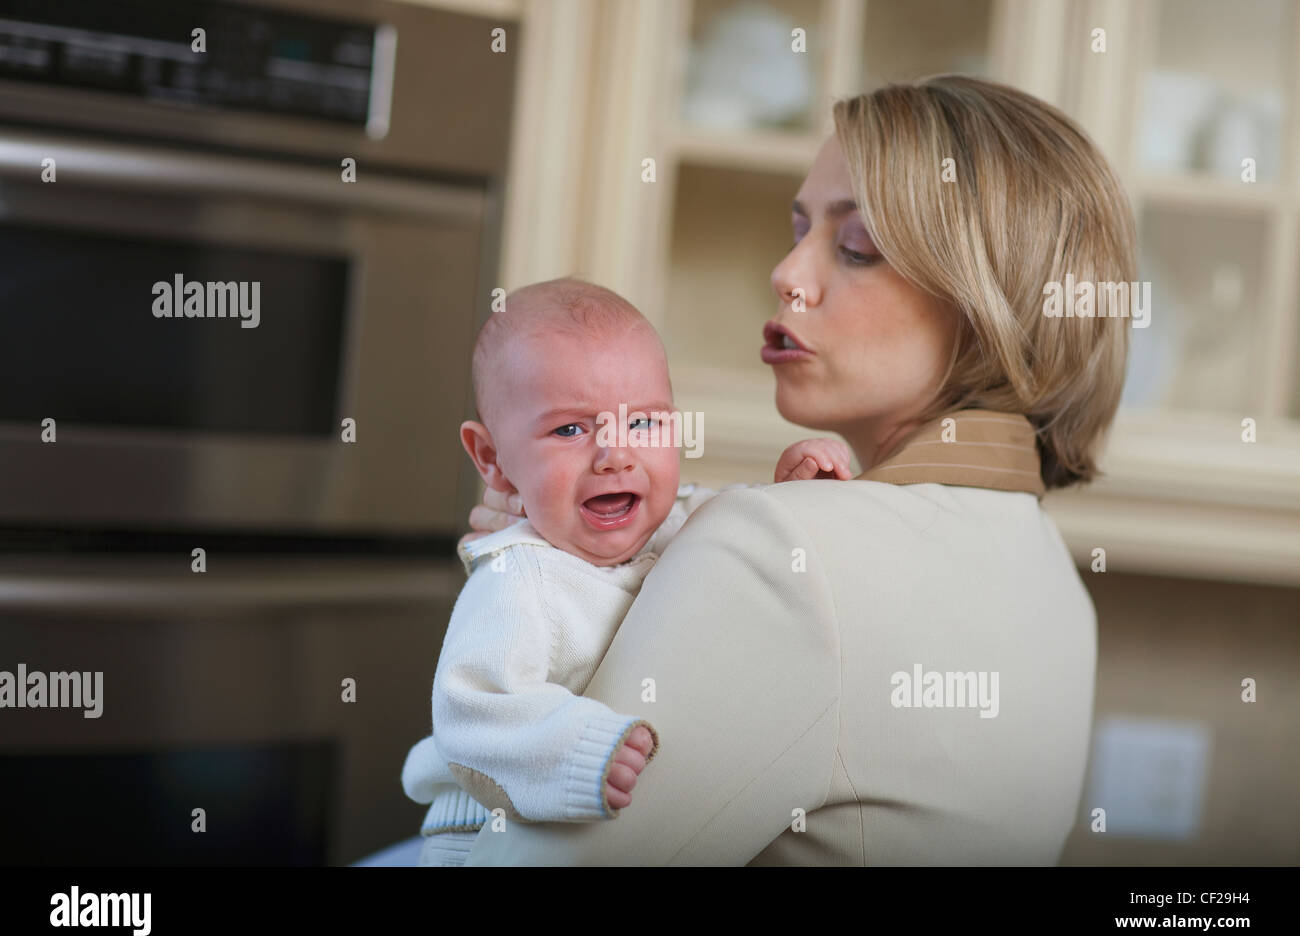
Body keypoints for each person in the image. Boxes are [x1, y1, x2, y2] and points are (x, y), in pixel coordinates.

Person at [458, 75, 1136, 865]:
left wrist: (534, 595)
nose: (787, 274)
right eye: (799, 229)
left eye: (856, 248)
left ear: (989, 303)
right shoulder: (1052, 577)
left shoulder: (784, 548)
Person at [401, 277, 853, 865]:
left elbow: (743, 532)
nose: (615, 454)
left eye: (643, 424)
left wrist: (797, 494)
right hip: (480, 834)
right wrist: (581, 749)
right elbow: (475, 709)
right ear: (492, 459)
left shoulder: (684, 521)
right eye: (569, 429)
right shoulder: (519, 579)